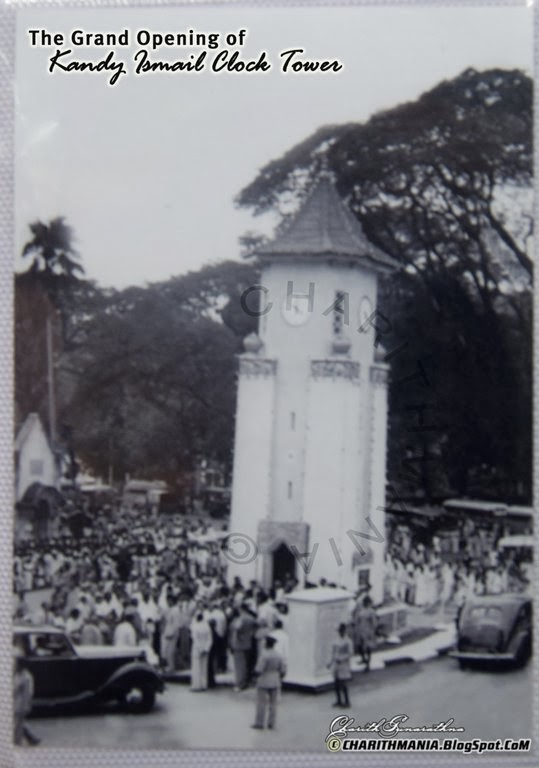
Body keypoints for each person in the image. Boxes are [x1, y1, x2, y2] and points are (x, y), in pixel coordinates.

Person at [251, 635, 286, 730]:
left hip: (264, 680)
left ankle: (259, 723)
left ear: (266, 644)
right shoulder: (279, 655)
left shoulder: (264, 655)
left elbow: (259, 669)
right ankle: (271, 723)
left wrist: (254, 677)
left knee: (261, 703)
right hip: (275, 680)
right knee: (273, 704)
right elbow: (283, 670)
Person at [13, 648, 40, 746]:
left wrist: (26, 706)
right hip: (14, 703)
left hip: (20, 705)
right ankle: (33, 738)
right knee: (19, 723)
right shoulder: (16, 674)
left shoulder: (26, 677)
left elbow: (27, 693)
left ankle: (17, 743)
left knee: (17, 726)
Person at [328, 623, 353, 708]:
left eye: (342, 631)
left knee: (343, 683)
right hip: (336, 664)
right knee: (336, 683)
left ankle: (347, 701)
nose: (341, 632)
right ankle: (338, 700)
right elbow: (333, 652)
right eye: (340, 631)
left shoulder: (348, 641)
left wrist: (342, 658)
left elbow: (350, 653)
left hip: (344, 664)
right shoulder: (336, 641)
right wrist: (330, 662)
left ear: (345, 631)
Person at [190, 613, 212, 691]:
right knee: (204, 667)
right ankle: (203, 685)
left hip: (197, 648)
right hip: (205, 648)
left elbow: (195, 639)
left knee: (196, 667)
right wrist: (206, 648)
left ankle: (196, 685)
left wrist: (200, 649)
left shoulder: (195, 627)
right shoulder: (207, 627)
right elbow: (210, 639)